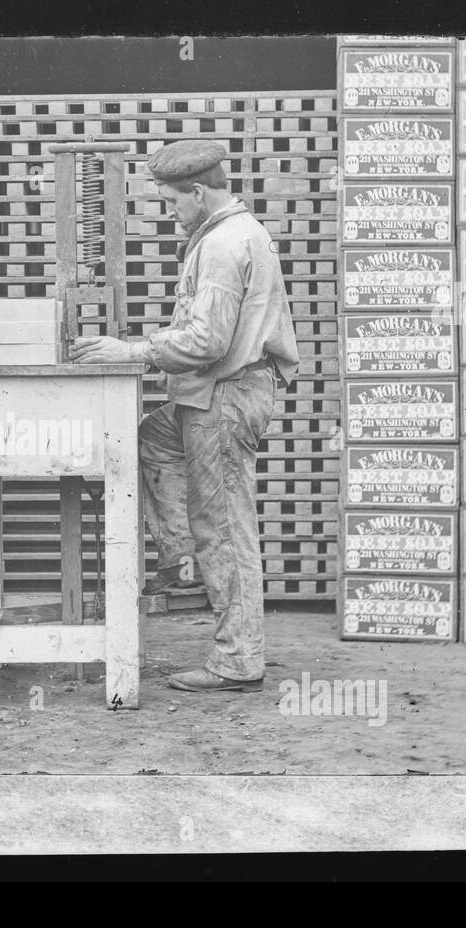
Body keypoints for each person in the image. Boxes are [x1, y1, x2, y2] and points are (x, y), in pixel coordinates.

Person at [70, 139, 300, 692]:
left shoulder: (224, 245)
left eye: (174, 201)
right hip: (209, 396)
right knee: (152, 439)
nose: (172, 212)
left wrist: (133, 350)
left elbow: (208, 341)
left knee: (223, 526)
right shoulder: (229, 234)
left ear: (198, 192)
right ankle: (183, 564)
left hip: (224, 396)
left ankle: (238, 660)